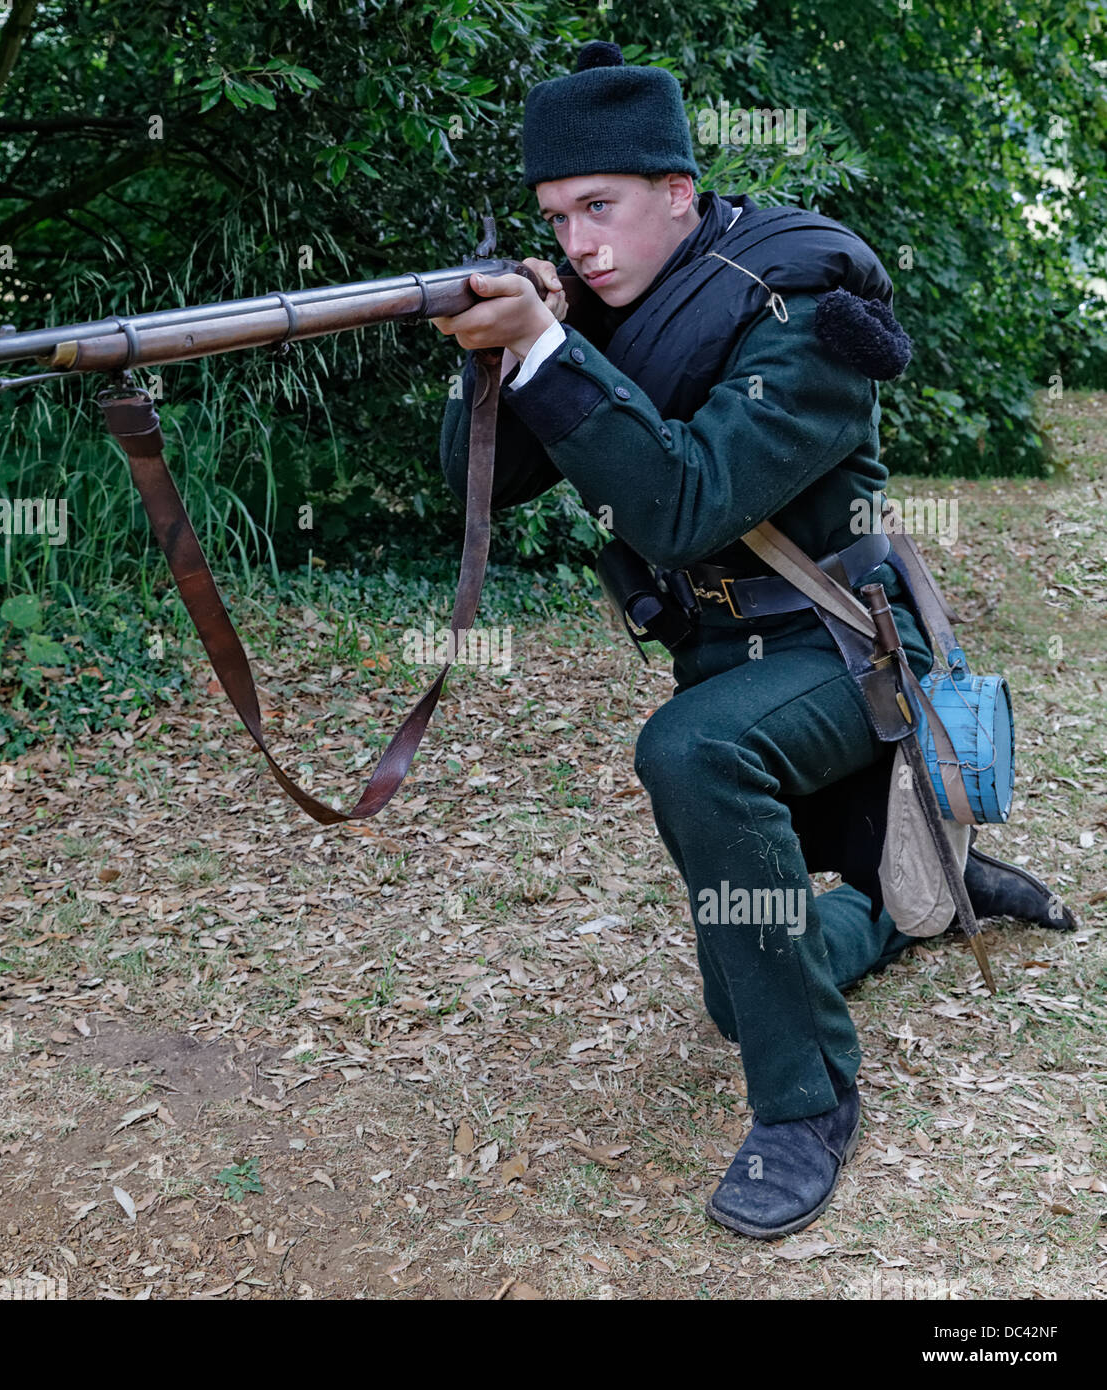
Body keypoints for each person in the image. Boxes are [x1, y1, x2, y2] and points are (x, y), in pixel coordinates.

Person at [433, 40, 1071, 1240]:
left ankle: (808, 1104)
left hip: (847, 651)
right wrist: (503, 351)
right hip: (727, 658)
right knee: (741, 996)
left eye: (599, 207)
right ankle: (911, 893)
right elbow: (486, 481)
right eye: (556, 218)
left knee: (692, 749)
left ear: (677, 191)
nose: (577, 243)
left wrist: (550, 353)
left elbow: (683, 505)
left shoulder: (807, 308)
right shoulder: (609, 312)